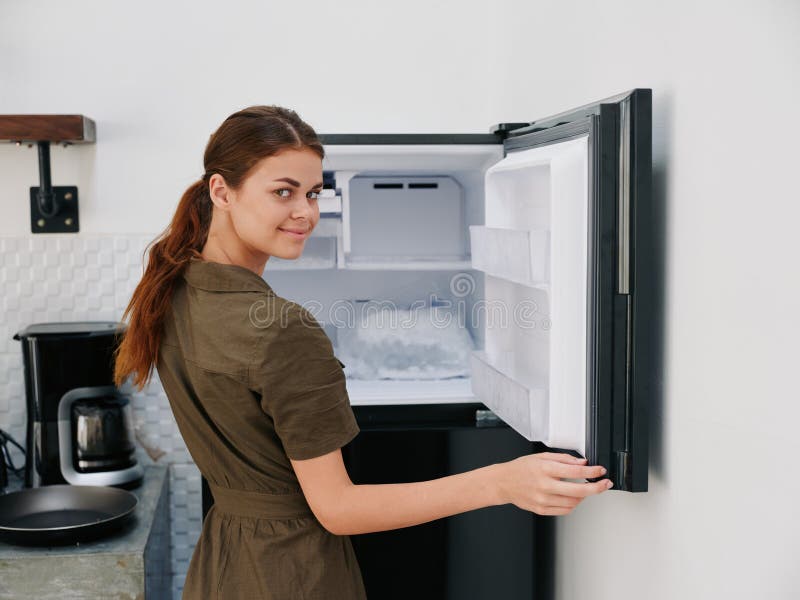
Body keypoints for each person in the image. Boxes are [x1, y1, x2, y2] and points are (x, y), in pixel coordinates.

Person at [112, 105, 613, 599]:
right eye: (283, 191)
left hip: (222, 562)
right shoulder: (284, 330)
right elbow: (338, 508)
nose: (305, 212)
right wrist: (502, 482)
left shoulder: (175, 289)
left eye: (313, 191)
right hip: (291, 573)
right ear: (221, 191)